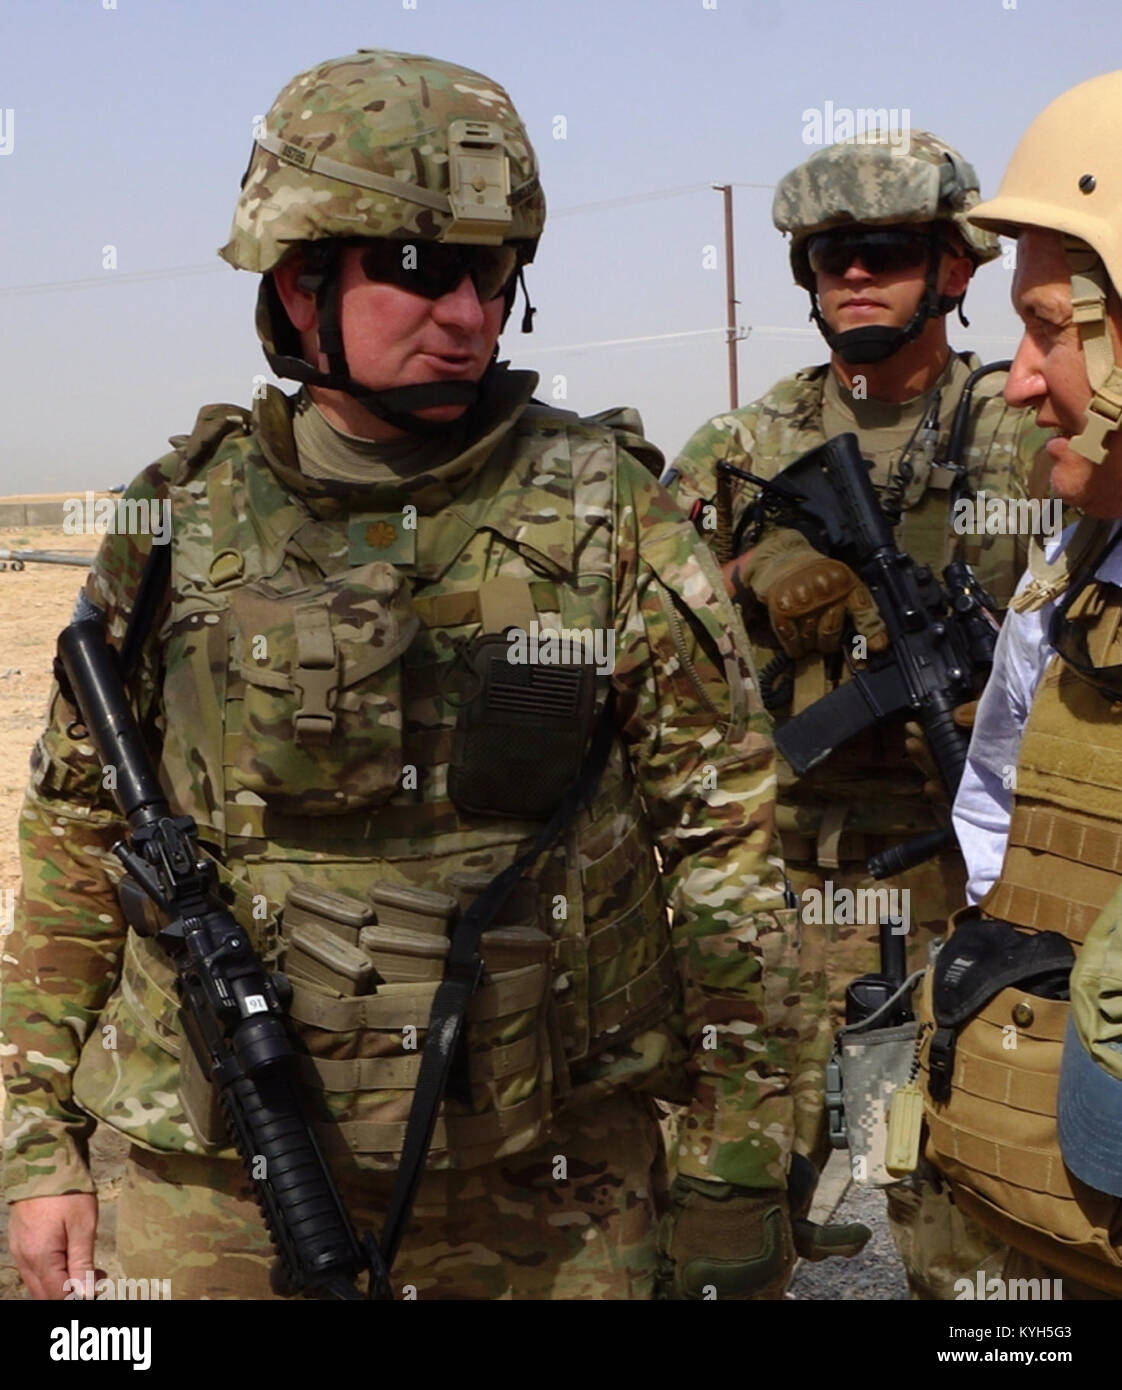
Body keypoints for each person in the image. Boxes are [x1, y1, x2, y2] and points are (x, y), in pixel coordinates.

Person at [0, 47, 835, 1303]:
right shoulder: (174, 520)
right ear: (296, 280)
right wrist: (31, 1142)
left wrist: (732, 1165)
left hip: (552, 1176)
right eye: (419, 270)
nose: (470, 314)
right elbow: (77, 833)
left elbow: (728, 851)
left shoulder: (608, 511)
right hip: (221, 1173)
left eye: (495, 272)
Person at [666, 130, 1051, 1299]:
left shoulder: (1028, 431)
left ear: (955, 268)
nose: (853, 276)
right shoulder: (747, 447)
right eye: (829, 257)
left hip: (977, 885)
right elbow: (636, 608)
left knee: (978, 1224)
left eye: (883, 250)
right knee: (726, 1220)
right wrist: (754, 571)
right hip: (788, 881)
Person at [926, 68, 1122, 1300]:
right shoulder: (1076, 564)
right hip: (1023, 1229)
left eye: (1048, 325)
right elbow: (998, 824)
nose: (1015, 379)